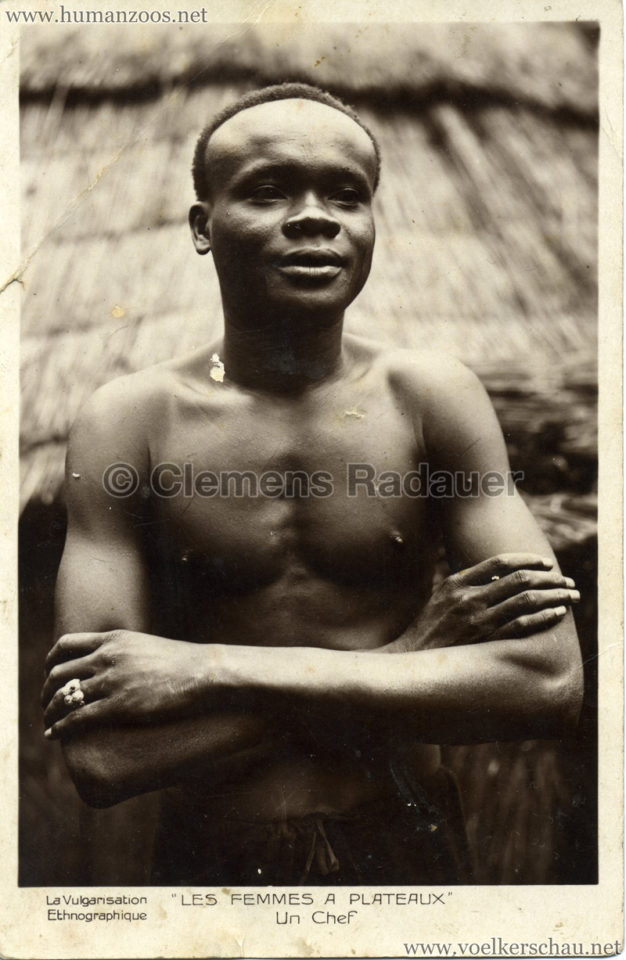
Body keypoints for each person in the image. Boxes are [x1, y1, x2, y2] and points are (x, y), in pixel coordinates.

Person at [42, 83, 583, 885]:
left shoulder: (430, 398)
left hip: (410, 841)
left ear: (370, 223)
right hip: (215, 861)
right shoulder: (129, 421)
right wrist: (409, 658)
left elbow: (548, 681)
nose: (314, 216)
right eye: (267, 190)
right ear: (203, 226)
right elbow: (104, 754)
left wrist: (209, 671)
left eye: (345, 194)